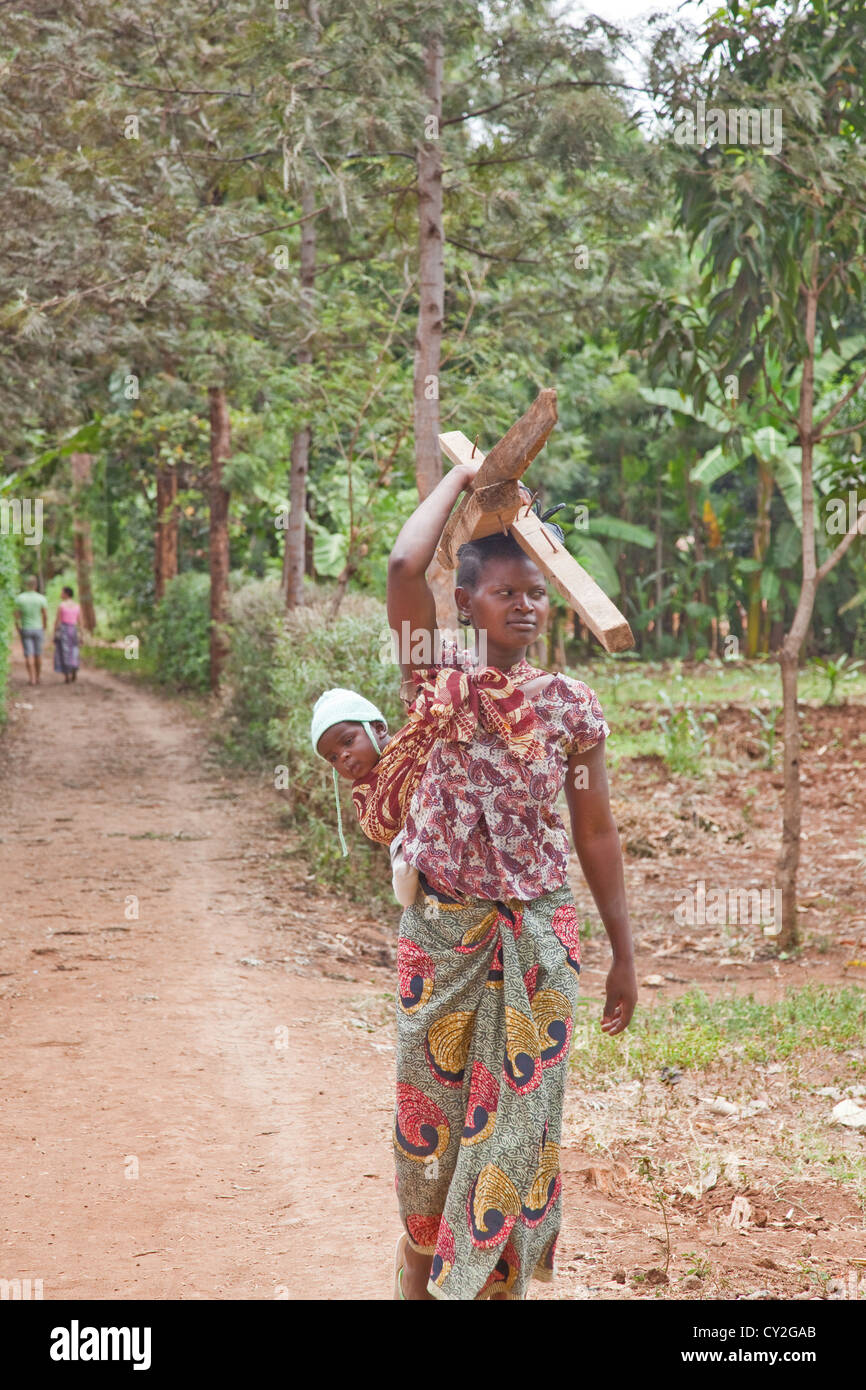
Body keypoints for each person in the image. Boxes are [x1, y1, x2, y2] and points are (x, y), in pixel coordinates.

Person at [383, 459, 637, 1301]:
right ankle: (419, 1284)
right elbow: (400, 566)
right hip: (443, 938)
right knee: (430, 1136)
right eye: (504, 591)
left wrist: (623, 955)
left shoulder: (572, 708)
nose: (525, 605)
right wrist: (465, 481)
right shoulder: (438, 680)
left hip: (537, 943)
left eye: (536, 591)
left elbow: (594, 833)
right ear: (466, 603)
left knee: (519, 1140)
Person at [13, 576, 48, 687]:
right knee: (38, 654)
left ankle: (31, 678)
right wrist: (44, 627)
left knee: (28, 654)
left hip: (26, 629)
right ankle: (38, 677)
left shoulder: (20, 598)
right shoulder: (41, 598)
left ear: (26, 584)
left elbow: (17, 616)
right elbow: (45, 615)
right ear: (36, 585)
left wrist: (17, 627)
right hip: (38, 629)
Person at [53, 585, 82, 684]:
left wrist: (54, 632)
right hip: (73, 630)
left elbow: (57, 621)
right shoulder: (77, 606)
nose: (61, 594)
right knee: (74, 651)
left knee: (64, 652)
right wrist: (81, 634)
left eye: (62, 592)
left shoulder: (62, 605)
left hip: (64, 630)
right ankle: (74, 669)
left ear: (66, 594)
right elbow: (80, 621)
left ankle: (67, 676)